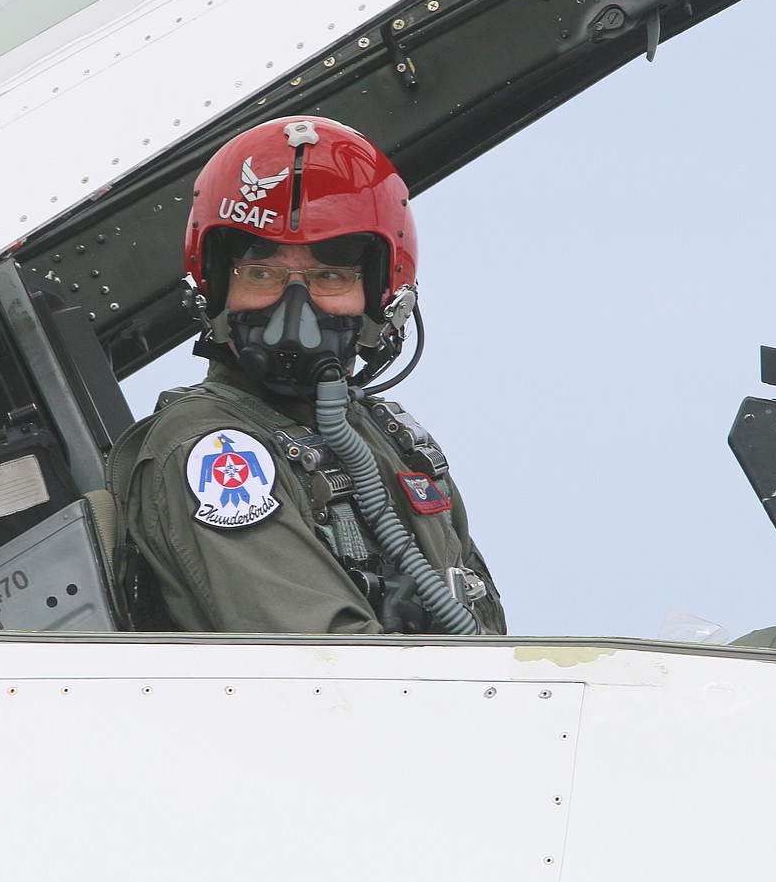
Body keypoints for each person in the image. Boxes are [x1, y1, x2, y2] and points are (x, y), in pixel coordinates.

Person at [106, 116, 504, 635]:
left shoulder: (388, 439)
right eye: (262, 272)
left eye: (331, 275)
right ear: (216, 286)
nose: (295, 311)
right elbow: (325, 669)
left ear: (384, 294)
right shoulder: (211, 451)